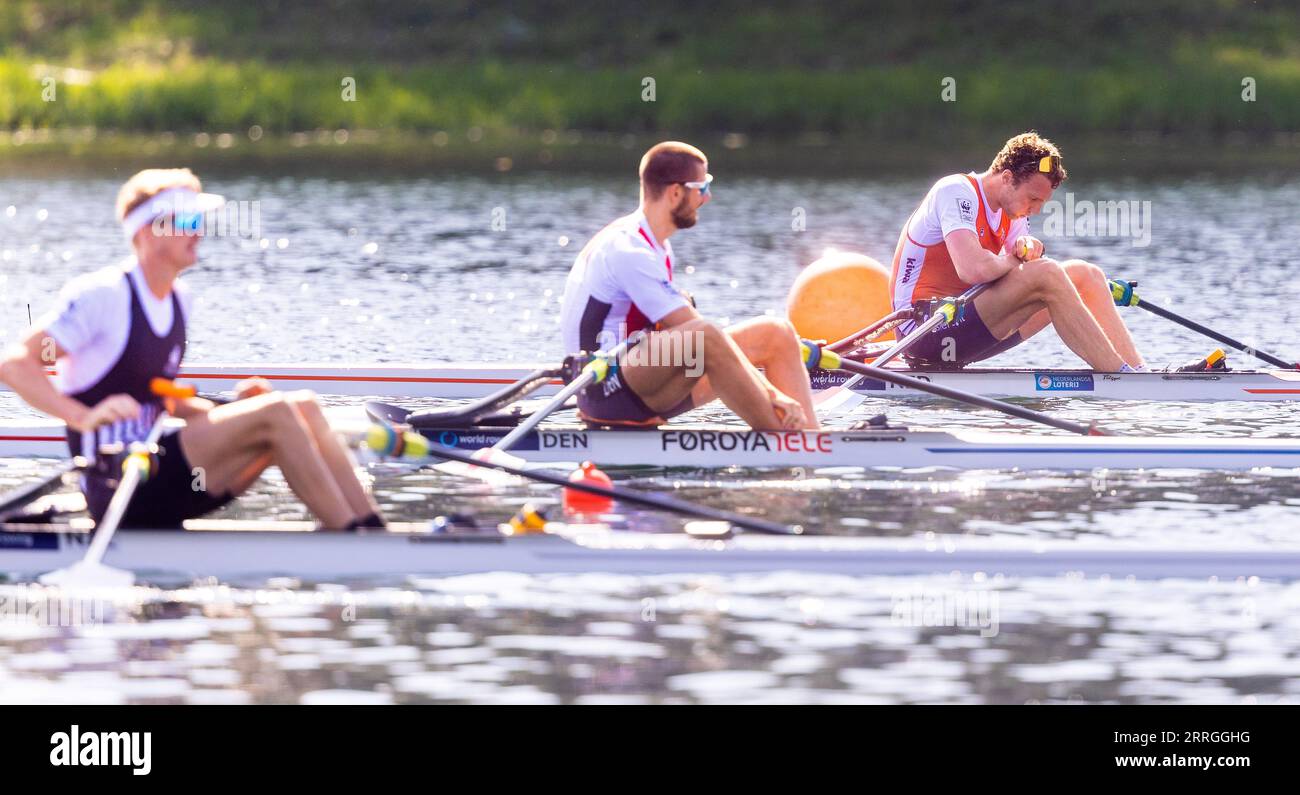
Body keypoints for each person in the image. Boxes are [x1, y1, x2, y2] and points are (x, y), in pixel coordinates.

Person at [0, 168, 384, 530]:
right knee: (278, 413)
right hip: (117, 481)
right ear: (148, 232)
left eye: (198, 221)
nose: (198, 232)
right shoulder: (104, 296)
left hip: (161, 472)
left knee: (303, 407)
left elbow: (157, 397)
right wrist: (82, 417)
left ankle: (371, 530)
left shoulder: (179, 300)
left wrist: (233, 410)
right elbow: (16, 364)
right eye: (186, 221)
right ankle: (351, 543)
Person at [559, 141, 818, 430]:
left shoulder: (656, 244)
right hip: (603, 391)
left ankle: (812, 436)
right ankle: (785, 438)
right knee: (704, 335)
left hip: (641, 378)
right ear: (675, 192)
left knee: (776, 333)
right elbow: (695, 330)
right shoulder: (628, 250)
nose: (707, 197)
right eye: (702, 187)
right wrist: (771, 393)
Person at [889, 131, 1146, 371]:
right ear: (1007, 178)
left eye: (1042, 203)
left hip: (962, 323)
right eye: (1033, 199)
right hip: (922, 332)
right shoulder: (955, 191)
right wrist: (1016, 259)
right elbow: (973, 269)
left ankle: (1139, 372)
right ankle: (1118, 375)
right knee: (1047, 274)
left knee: (1085, 275)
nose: (1036, 209)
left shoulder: (1012, 210)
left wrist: (1028, 251)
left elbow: (1026, 266)